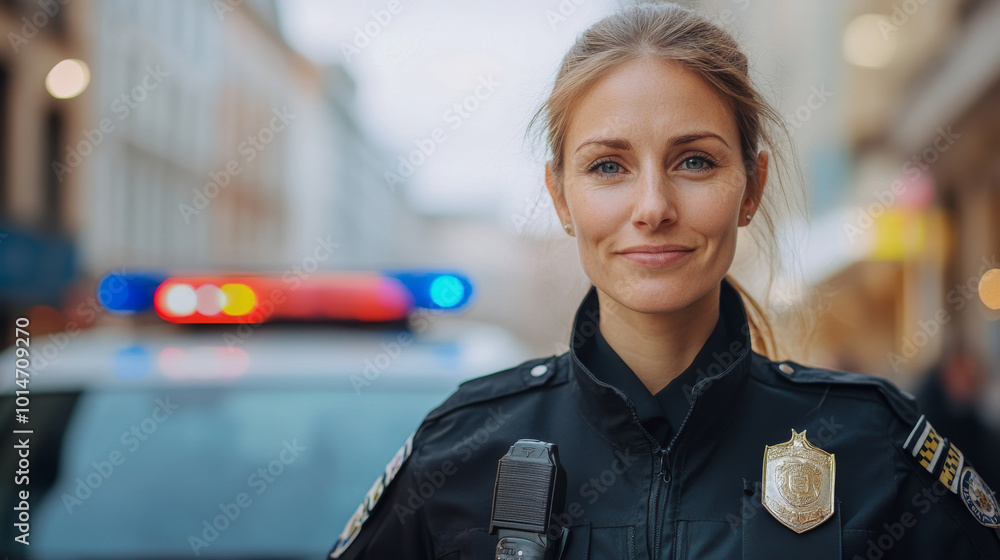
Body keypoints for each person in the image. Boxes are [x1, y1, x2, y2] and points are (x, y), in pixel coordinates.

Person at [325, 3, 1000, 558]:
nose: (652, 206)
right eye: (609, 168)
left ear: (751, 188)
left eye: (695, 161)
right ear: (560, 197)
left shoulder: (873, 448)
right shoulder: (458, 455)